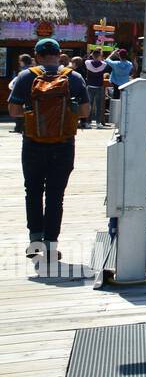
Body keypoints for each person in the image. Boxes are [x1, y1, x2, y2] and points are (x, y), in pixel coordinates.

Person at [7, 39, 89, 260]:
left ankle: (35, 243)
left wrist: (34, 114)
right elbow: (84, 111)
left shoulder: (26, 76)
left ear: (37, 55)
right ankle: (51, 245)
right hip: (63, 144)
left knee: (33, 192)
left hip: (34, 143)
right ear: (58, 54)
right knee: (55, 196)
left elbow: (13, 110)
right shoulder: (74, 77)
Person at [11, 54, 34, 133]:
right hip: (32, 95)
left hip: (23, 94)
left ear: (22, 61)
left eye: (20, 61)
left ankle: (19, 128)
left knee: (20, 110)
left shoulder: (23, 72)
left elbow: (16, 84)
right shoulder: (34, 69)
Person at [83, 49, 107, 127]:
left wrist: (90, 54)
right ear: (100, 56)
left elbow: (87, 59)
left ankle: (88, 122)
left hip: (90, 86)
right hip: (99, 86)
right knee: (99, 105)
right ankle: (98, 123)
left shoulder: (88, 63)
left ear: (92, 56)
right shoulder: (103, 64)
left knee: (89, 105)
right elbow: (103, 61)